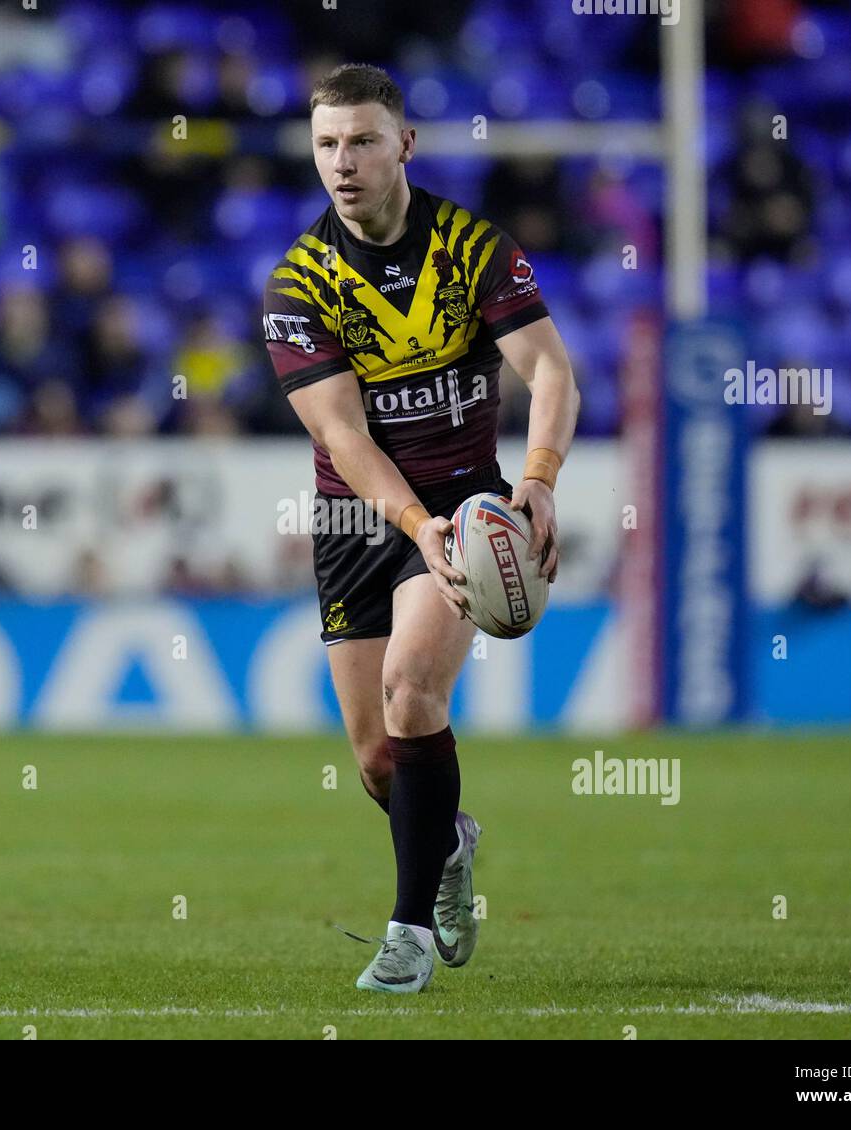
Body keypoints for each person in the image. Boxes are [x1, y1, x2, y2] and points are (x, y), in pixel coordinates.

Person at [261, 64, 579, 992]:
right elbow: (340, 433)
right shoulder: (299, 282)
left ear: (404, 143)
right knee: (373, 759)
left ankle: (405, 937)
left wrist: (539, 482)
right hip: (358, 517)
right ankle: (447, 841)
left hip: (468, 505)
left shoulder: (473, 249)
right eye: (326, 144)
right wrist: (409, 519)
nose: (342, 162)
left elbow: (550, 373)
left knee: (410, 692)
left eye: (362, 140)